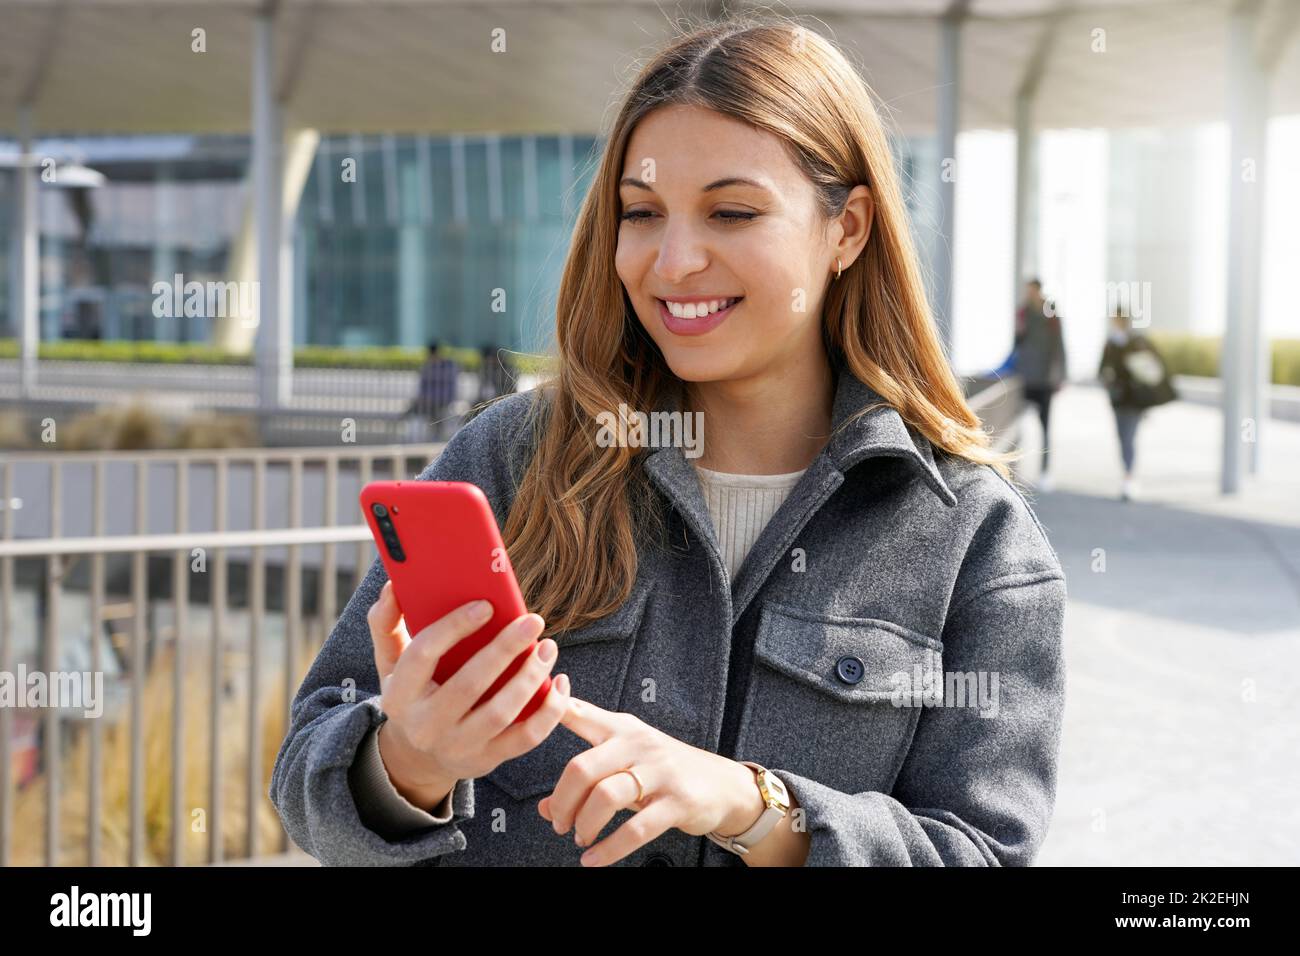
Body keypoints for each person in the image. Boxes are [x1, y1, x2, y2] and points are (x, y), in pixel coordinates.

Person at [271, 14, 1067, 867]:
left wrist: (756, 807)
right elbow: (308, 781)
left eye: (731, 212)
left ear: (849, 229)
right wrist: (410, 762)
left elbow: (983, 852)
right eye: (642, 213)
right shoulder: (509, 460)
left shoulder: (975, 537)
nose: (674, 260)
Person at [1097, 307, 1176, 501]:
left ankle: (1129, 476)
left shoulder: (1138, 341)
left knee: (1129, 437)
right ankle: (1127, 473)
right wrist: (1108, 379)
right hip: (1117, 399)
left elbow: (1154, 367)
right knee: (1122, 438)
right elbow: (1101, 370)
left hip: (1135, 400)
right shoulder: (1110, 343)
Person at [1014, 279, 1067, 492]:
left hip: (1045, 379)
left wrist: (1060, 376)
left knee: (1045, 426)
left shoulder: (1051, 312)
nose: (1030, 295)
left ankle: (1045, 471)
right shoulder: (1023, 312)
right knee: (1017, 425)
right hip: (1025, 376)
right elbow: (1017, 343)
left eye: (1032, 291)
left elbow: (1059, 345)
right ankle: (1014, 467)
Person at [407, 340, 460, 439]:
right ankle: (415, 438)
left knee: (436, 414)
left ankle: (435, 436)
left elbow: (450, 389)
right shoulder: (427, 367)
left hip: (441, 401)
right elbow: (422, 388)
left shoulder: (448, 367)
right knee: (412, 411)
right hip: (427, 402)